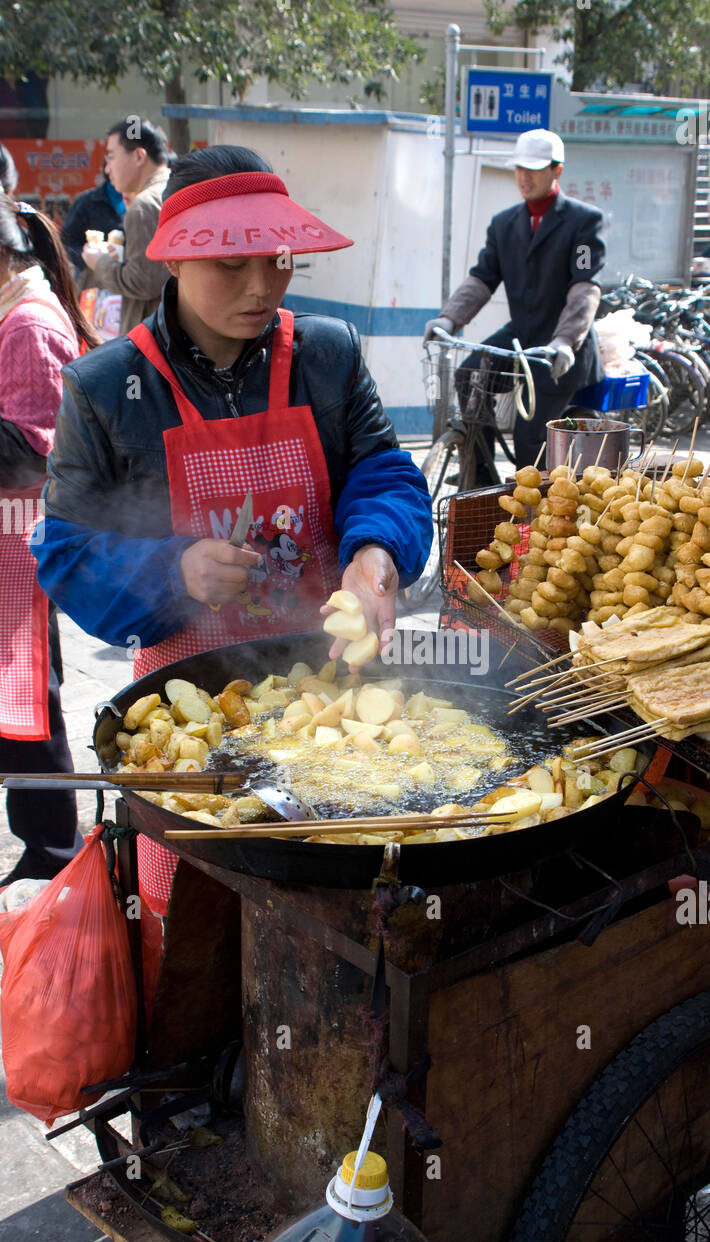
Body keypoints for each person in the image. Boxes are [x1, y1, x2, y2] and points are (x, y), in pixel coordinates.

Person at [33, 145, 433, 916]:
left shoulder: (327, 356)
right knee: (198, 914)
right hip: (195, 704)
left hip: (331, 685)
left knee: (336, 890)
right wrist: (171, 572)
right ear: (176, 259)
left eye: (278, 260)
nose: (260, 287)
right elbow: (67, 549)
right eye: (231, 266)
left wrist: (376, 553)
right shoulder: (105, 390)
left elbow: (383, 472)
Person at [0, 195, 99, 885]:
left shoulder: (28, 321)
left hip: (19, 539)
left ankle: (54, 857)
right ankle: (45, 851)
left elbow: (32, 452)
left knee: (30, 701)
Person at [424, 128, 605, 478]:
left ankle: (536, 520)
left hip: (561, 348)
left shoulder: (585, 222)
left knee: (530, 439)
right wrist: (449, 318)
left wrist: (566, 340)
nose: (524, 177)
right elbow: (482, 278)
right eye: (520, 168)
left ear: (557, 170)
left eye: (535, 169)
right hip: (522, 334)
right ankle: (481, 473)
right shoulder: (505, 224)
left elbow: (585, 286)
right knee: (468, 376)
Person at [80, 117, 171, 334]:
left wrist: (98, 262)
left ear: (139, 156)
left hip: (154, 339)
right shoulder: (173, 190)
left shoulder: (144, 205)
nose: (107, 169)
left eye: (111, 157)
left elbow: (142, 281)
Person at [61, 161, 125, 281]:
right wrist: (89, 258)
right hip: (93, 282)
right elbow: (67, 241)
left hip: (131, 282)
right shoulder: (87, 202)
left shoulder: (143, 202)